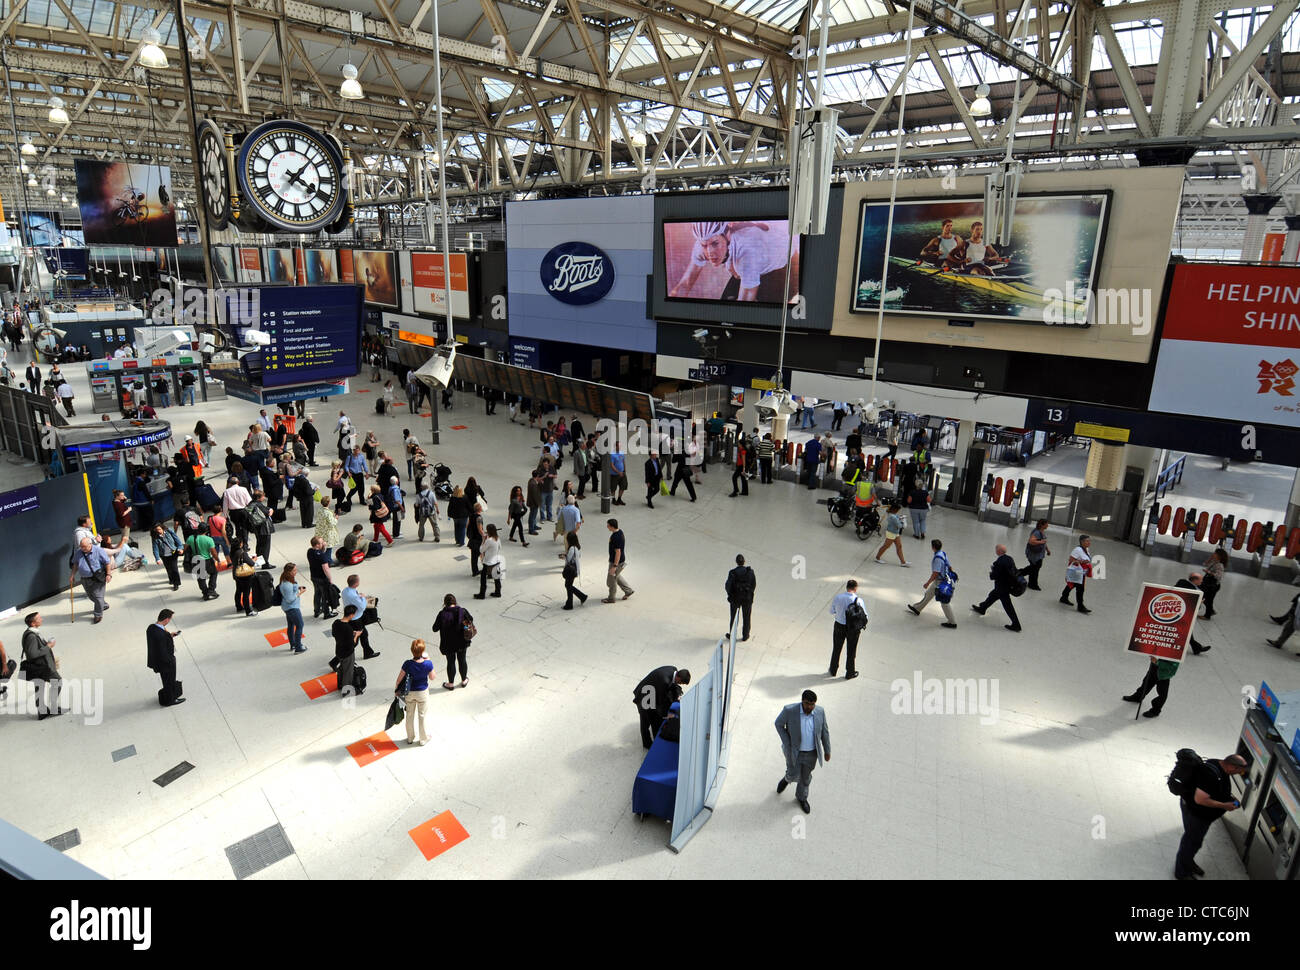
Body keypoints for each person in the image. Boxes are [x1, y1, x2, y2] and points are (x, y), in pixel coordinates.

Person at [1171, 753, 1247, 880]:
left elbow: (1216, 789)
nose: (1239, 774)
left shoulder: (1217, 764)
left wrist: (1229, 798)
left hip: (1198, 813)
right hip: (1196, 814)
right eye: (1239, 771)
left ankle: (1188, 863)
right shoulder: (1211, 775)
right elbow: (1200, 800)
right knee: (1191, 842)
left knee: (1195, 842)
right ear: (1232, 767)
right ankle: (1181, 872)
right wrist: (1225, 805)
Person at [774, 689, 830, 815]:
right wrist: (787, 743)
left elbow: (825, 732)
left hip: (811, 754)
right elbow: (778, 724)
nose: (809, 707)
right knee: (792, 772)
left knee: (805, 778)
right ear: (802, 702)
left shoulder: (820, 712)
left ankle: (802, 798)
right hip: (794, 752)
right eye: (806, 703)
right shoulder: (789, 710)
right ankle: (787, 779)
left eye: (812, 704)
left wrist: (827, 750)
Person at [633, 665, 691, 749]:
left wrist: (677, 695)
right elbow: (662, 702)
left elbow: (672, 686)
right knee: (645, 722)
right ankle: (647, 744)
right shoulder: (664, 681)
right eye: (681, 683)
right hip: (644, 698)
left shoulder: (673, 669)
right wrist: (666, 715)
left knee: (655, 719)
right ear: (678, 677)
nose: (680, 684)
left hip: (652, 693)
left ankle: (656, 738)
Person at [908, 539, 959, 629]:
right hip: (945, 579)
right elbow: (949, 566)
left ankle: (952, 622)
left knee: (944, 602)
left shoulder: (937, 559)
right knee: (928, 594)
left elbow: (935, 573)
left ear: (933, 547)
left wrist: (927, 583)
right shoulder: (943, 553)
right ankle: (917, 608)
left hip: (940, 582)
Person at [971, 543, 1023, 632]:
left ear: (998, 551)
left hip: (1002, 587)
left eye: (996, 549)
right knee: (992, 595)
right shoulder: (1009, 558)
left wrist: (992, 573)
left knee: (1007, 605)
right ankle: (982, 608)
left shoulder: (999, 562)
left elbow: (994, 576)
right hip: (1006, 585)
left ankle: (1016, 624)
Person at [21, 612, 61, 719]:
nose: (42, 619)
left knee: (40, 687)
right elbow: (32, 654)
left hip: (39, 666)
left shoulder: (32, 633)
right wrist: (48, 646)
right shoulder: (31, 637)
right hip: (42, 667)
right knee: (57, 681)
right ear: (33, 623)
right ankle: (52, 708)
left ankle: (42, 711)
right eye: (39, 618)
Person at [398, 640, 435, 745]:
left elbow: (399, 679)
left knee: (409, 715)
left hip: (409, 693)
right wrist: (428, 660)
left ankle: (410, 738)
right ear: (422, 651)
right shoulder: (428, 663)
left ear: (412, 651)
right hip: (422, 693)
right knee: (422, 715)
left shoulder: (407, 664)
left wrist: (396, 690)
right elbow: (432, 677)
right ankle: (423, 739)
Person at [432, 593, 472, 690]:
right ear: (455, 601)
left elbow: (434, 628)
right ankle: (464, 680)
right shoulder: (462, 611)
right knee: (462, 660)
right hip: (462, 641)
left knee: (450, 662)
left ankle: (450, 684)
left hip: (448, 643)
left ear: (445, 603)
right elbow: (470, 619)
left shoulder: (442, 614)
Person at [828, 580, 866, 680]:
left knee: (836, 648)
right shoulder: (859, 601)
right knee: (851, 651)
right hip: (853, 629)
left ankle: (833, 669)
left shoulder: (838, 597)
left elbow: (832, 611)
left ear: (847, 587)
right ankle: (850, 672)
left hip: (839, 626)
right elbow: (865, 616)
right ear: (856, 588)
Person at [71, 535, 113, 623]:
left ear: (90, 545)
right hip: (85, 579)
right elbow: (75, 564)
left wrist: (108, 574)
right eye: (81, 546)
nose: (82, 548)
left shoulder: (99, 551)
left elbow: (107, 563)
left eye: (84, 547)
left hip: (98, 577)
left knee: (98, 596)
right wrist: (72, 575)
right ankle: (103, 605)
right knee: (91, 596)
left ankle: (98, 615)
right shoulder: (79, 552)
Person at [147, 609, 185, 706]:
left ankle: (168, 696)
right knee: (169, 681)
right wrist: (171, 660)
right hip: (166, 663)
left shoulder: (151, 628)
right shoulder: (161, 635)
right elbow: (163, 651)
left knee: (166, 681)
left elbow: (157, 643)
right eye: (170, 619)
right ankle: (171, 700)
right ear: (167, 619)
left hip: (157, 661)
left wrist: (169, 636)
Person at [1175, 573, 1212, 655]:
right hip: (1182, 613)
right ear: (1195, 580)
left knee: (1186, 631)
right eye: (1200, 579)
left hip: (1179, 612)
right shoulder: (1194, 590)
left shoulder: (1182, 582)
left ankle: (1196, 648)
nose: (1202, 581)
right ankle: (1197, 648)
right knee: (1185, 630)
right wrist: (1199, 603)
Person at [277, 563, 308, 654]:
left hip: (288, 607)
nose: (296, 571)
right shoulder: (287, 585)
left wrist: (297, 587)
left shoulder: (286, 579)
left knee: (291, 625)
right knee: (300, 625)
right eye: (294, 570)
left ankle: (293, 644)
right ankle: (298, 647)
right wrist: (300, 592)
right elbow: (290, 599)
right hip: (292, 608)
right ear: (289, 572)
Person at [725, 554, 756, 641]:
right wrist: (749, 593)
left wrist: (730, 595)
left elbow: (728, 586)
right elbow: (753, 584)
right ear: (744, 561)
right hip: (747, 598)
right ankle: (745, 636)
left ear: (736, 562)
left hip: (736, 598)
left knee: (734, 617)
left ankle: (732, 635)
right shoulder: (750, 572)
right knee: (747, 617)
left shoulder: (732, 573)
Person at [1060, 534, 1093, 613]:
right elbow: (1071, 560)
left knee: (1073, 584)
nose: (1089, 542)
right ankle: (1080, 606)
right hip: (1077, 571)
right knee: (1080, 589)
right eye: (1087, 541)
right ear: (1082, 542)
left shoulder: (1086, 549)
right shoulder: (1077, 550)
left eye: (1089, 541)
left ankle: (1064, 597)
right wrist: (1081, 561)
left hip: (1082, 571)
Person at [603, 518, 633, 603]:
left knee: (611, 580)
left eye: (608, 525)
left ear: (612, 526)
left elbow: (618, 552)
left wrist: (615, 566)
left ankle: (611, 598)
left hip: (616, 562)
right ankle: (628, 591)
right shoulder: (620, 532)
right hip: (621, 560)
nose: (607, 527)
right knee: (616, 576)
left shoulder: (615, 537)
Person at [185, 526, 218, 601]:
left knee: (200, 578)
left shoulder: (191, 538)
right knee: (214, 573)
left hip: (196, 560)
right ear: (206, 531)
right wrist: (217, 559)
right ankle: (211, 590)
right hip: (207, 560)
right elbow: (213, 552)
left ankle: (205, 593)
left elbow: (185, 548)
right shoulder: (209, 539)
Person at [307, 537, 336, 620]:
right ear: (317, 545)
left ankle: (317, 611)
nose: (323, 542)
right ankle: (327, 613)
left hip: (314, 577)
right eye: (322, 542)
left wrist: (323, 547)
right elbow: (326, 568)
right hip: (322, 578)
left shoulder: (310, 551)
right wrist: (330, 579)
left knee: (317, 594)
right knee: (325, 596)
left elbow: (319, 553)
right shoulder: (322, 556)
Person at [151, 521, 184, 591]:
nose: (159, 531)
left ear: (162, 528)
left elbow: (177, 540)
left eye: (159, 529)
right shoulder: (155, 537)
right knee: (169, 569)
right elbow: (155, 548)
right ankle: (171, 579)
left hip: (173, 553)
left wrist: (180, 548)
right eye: (157, 530)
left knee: (174, 569)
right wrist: (157, 558)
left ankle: (176, 583)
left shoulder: (169, 532)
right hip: (164, 555)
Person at [231, 537, 258, 617]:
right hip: (245, 576)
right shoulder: (242, 553)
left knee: (238, 590)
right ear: (240, 544)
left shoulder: (232, 552)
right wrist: (254, 559)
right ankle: (248, 611)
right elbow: (251, 563)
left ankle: (238, 606)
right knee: (246, 593)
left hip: (236, 574)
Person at [247, 490, 275, 566]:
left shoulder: (251, 504)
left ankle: (259, 561)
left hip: (257, 528)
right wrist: (271, 511)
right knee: (265, 547)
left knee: (259, 545)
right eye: (263, 496)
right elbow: (267, 513)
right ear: (259, 498)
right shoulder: (259, 505)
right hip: (264, 528)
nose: (264, 497)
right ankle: (265, 563)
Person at [476, 524, 503, 599]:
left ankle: (482, 594)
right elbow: (500, 547)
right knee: (497, 578)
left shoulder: (488, 541)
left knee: (483, 579)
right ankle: (498, 592)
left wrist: (483, 540)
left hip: (488, 562)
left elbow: (481, 550)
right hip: (496, 561)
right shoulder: (497, 538)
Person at [1022, 519, 1050, 589]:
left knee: (1035, 568)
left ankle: (1031, 583)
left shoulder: (1041, 532)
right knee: (1034, 568)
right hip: (1034, 554)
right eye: (1046, 524)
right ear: (1042, 525)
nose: (1048, 525)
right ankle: (1020, 574)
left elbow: (1044, 542)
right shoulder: (1037, 532)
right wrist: (1041, 542)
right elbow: (1031, 541)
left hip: (1038, 554)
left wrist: (1047, 549)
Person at [562, 531, 586, 609]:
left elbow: (569, 559)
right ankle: (577, 599)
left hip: (570, 570)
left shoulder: (572, 548)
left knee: (568, 586)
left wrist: (564, 556)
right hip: (575, 569)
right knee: (569, 585)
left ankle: (572, 602)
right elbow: (579, 556)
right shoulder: (577, 547)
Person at [1201, 548, 1227, 619]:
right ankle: (1210, 611)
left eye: (1215, 554)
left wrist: (1209, 572)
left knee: (1208, 599)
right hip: (1208, 583)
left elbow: (1219, 576)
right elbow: (1205, 564)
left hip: (1213, 585)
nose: (1213, 554)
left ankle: (1207, 615)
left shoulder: (1220, 565)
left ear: (1219, 556)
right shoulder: (1214, 561)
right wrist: (1209, 559)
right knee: (1206, 599)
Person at [466, 503, 485, 577]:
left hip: (472, 538)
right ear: (479, 509)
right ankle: (486, 570)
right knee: (481, 554)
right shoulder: (479, 518)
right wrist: (485, 535)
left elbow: (467, 525)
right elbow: (480, 530)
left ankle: (475, 571)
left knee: (473, 556)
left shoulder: (471, 516)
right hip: (478, 539)